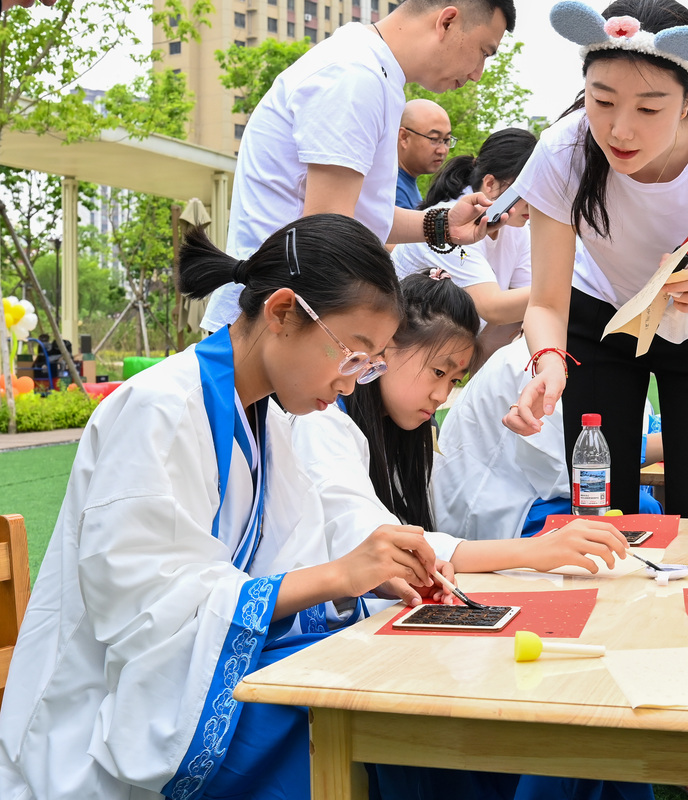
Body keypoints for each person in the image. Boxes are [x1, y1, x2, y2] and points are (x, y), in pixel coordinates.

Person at [0, 214, 451, 799]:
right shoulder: (158, 407)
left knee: (396, 701)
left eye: (369, 366)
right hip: (107, 717)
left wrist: (363, 579)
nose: (350, 384)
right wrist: (340, 575)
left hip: (191, 678)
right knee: (374, 728)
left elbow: (295, 557)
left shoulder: (270, 420)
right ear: (284, 312)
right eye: (351, 355)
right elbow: (141, 607)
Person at [507, 0, 688, 520]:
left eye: (649, 108)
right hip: (600, 315)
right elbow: (547, 300)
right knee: (602, 500)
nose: (620, 131)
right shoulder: (560, 151)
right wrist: (548, 363)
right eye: (603, 101)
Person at [291, 270, 637, 579]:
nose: (441, 395)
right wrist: (534, 552)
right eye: (438, 373)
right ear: (384, 349)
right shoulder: (322, 422)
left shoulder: (406, 433)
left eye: (454, 381)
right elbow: (378, 542)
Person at [201, 0, 516, 331]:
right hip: (275, 326)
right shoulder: (354, 75)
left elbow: (356, 216)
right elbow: (327, 232)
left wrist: (443, 225)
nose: (478, 74)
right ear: (447, 22)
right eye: (484, 51)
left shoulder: (373, 72)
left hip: (281, 316)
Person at [434, 337, 663, 541]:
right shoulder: (536, 362)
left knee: (637, 506)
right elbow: (575, 470)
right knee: (643, 510)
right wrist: (664, 446)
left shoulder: (594, 360)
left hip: (520, 494)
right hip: (496, 509)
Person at [392, 128, 536, 342]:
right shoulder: (451, 222)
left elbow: (528, 299)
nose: (534, 203)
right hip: (399, 343)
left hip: (443, 345)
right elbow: (492, 308)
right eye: (527, 191)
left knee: (527, 321)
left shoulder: (517, 228)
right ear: (490, 184)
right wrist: (571, 287)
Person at [395, 99, 454, 210]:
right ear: (404, 137)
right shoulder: (391, 188)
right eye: (434, 139)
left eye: (446, 140)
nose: (441, 150)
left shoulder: (407, 182)